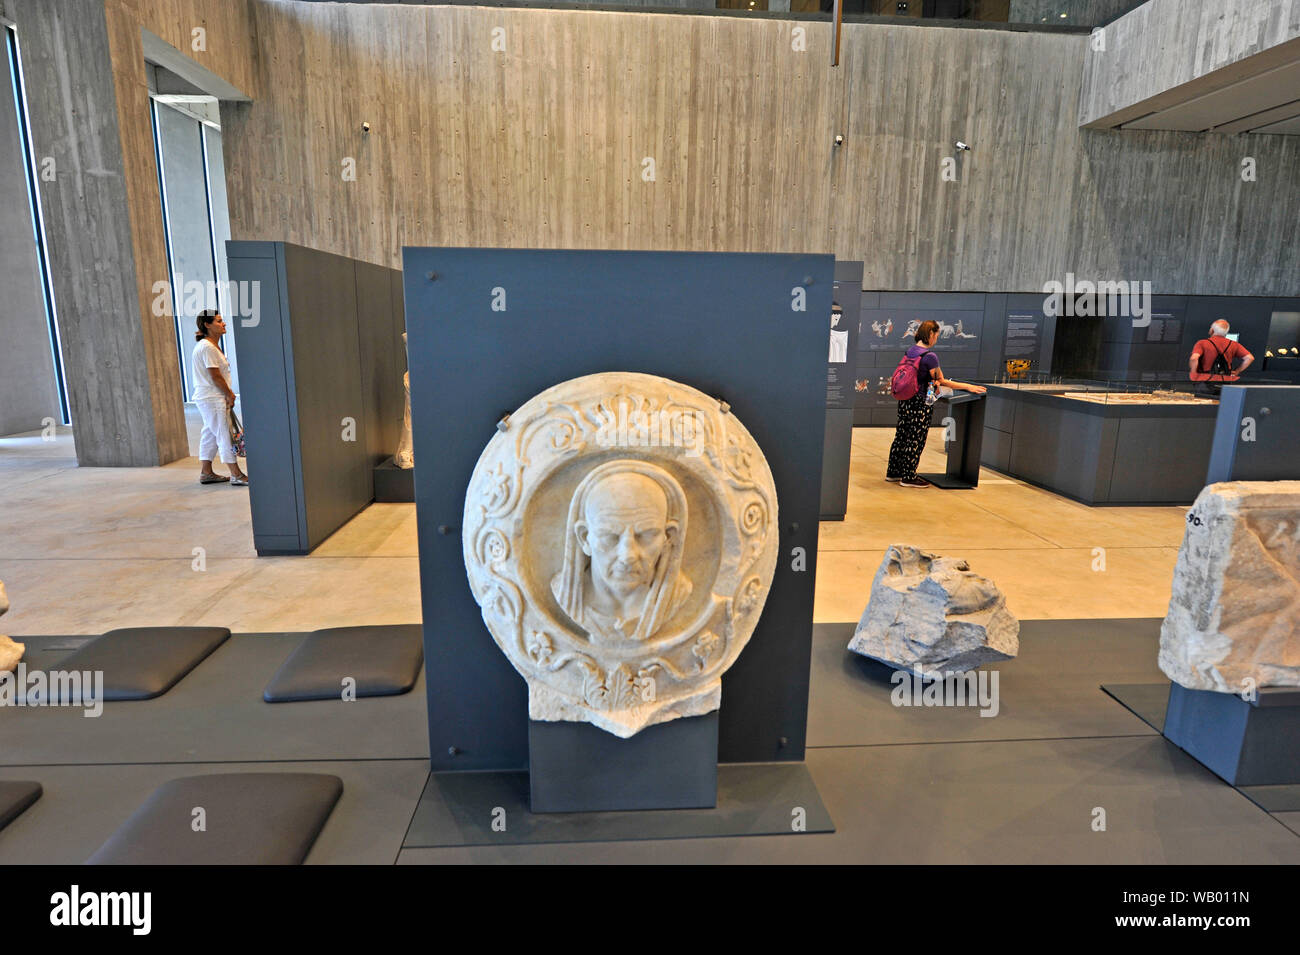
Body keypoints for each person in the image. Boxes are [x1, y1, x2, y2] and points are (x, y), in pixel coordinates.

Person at [886, 319, 986, 488]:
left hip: (905, 400)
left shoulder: (910, 351)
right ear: (931, 334)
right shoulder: (930, 356)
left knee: (902, 435)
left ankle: (893, 472)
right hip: (920, 403)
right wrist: (969, 386)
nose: (937, 339)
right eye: (937, 335)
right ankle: (908, 476)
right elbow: (942, 380)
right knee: (916, 438)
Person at [192, 309, 249, 487]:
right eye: (218, 321)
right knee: (224, 434)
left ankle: (206, 472)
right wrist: (229, 394)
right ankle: (236, 474)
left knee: (210, 433)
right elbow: (215, 376)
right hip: (213, 397)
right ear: (207, 325)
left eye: (222, 320)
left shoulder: (208, 345)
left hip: (209, 396)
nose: (223, 323)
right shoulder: (208, 347)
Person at [1189, 320, 1253, 396]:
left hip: (1205, 382)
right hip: (1225, 383)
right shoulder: (1233, 344)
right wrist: (1237, 371)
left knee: (1203, 405)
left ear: (1212, 330)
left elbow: (1194, 358)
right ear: (1226, 332)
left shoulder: (1202, 343)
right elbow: (1250, 358)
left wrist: (1193, 373)